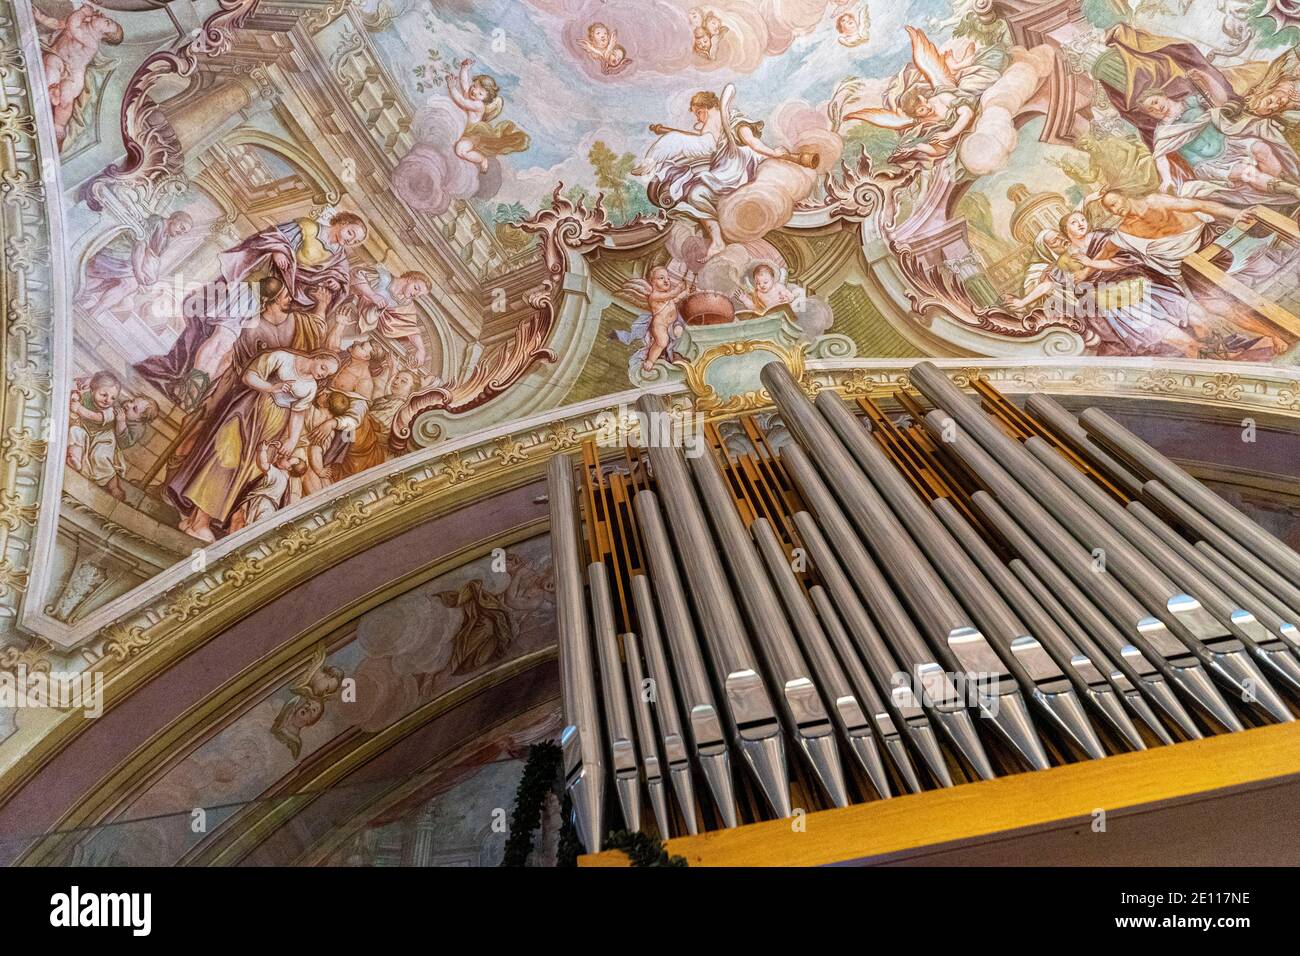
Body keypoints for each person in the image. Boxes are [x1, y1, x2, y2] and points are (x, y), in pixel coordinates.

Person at [134, 211, 367, 408]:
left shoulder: (339, 258)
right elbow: (269, 238)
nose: (349, 241)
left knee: (231, 355)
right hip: (258, 287)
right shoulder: (307, 228)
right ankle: (187, 389)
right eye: (350, 233)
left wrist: (336, 284)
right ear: (342, 222)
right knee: (222, 338)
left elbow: (340, 282)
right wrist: (277, 250)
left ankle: (195, 394)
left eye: (354, 241)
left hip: (279, 303)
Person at [167, 349, 340, 542]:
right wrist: (271, 388)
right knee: (224, 462)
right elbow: (249, 376)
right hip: (247, 414)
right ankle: (200, 523)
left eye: (327, 374)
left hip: (272, 429)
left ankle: (194, 522)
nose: (323, 374)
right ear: (316, 357)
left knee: (242, 475)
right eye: (323, 367)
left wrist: (292, 439)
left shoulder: (310, 387)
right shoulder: (282, 358)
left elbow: (298, 414)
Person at [75, 212, 193, 321]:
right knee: (130, 284)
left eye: (184, 232)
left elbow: (151, 261)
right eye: (181, 227)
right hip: (120, 252)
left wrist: (146, 280)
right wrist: (139, 275)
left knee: (131, 285)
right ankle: (93, 312)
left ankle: (94, 312)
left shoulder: (166, 240)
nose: (181, 233)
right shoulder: (156, 222)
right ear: (173, 219)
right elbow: (139, 248)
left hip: (129, 262)